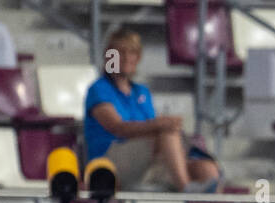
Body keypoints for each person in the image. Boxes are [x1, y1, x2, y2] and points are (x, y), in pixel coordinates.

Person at [85, 27, 220, 193]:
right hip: (108, 161)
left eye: (132, 52)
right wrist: (160, 124)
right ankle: (185, 187)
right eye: (120, 52)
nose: (127, 58)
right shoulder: (99, 89)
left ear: (138, 57)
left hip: (143, 159)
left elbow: (152, 131)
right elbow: (118, 128)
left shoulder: (142, 92)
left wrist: (163, 125)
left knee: (206, 170)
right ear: (109, 56)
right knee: (167, 132)